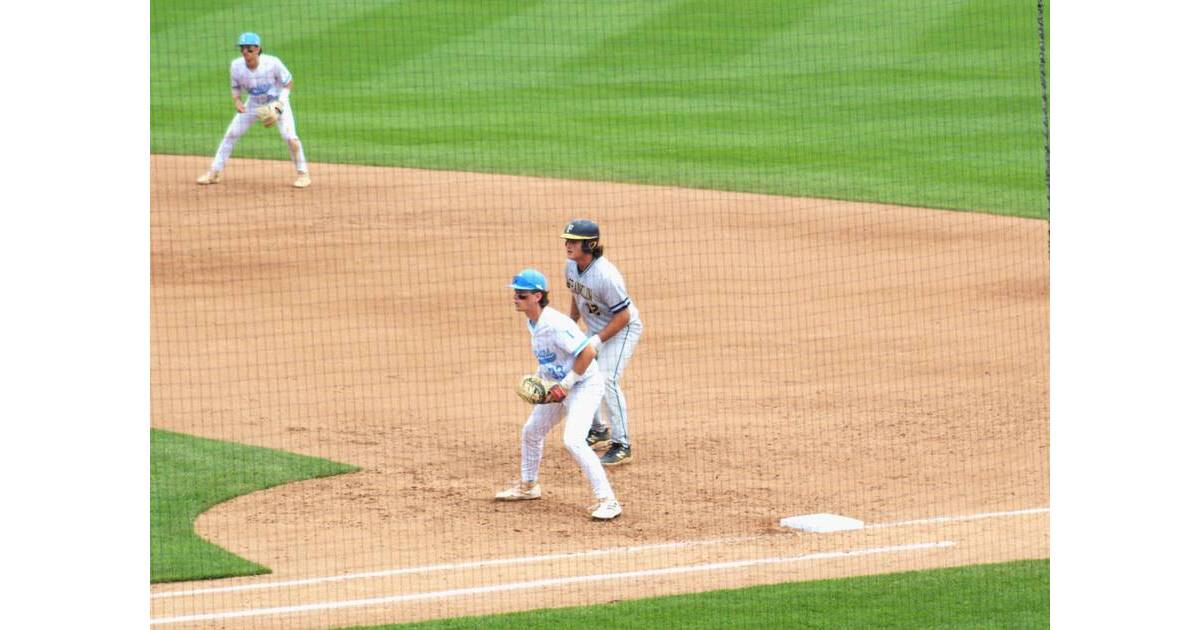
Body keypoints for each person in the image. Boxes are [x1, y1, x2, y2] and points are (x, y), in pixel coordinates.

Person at [495, 268, 622, 521]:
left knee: (573, 440)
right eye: (515, 294)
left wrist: (565, 385)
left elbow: (587, 353)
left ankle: (609, 501)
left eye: (521, 295)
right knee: (531, 432)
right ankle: (529, 486)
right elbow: (548, 358)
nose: (515, 299)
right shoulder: (533, 322)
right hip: (558, 387)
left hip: (583, 384)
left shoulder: (555, 324)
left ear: (537, 296)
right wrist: (541, 383)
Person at [561, 219, 643, 466]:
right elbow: (577, 295)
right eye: (567, 240)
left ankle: (622, 444)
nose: (568, 244)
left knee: (607, 378)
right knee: (579, 372)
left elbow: (624, 315)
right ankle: (598, 430)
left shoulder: (607, 275)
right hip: (596, 330)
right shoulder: (571, 266)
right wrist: (570, 326)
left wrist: (595, 340)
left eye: (574, 241)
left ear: (590, 244)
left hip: (623, 330)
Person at [196, 32, 311, 189]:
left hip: (276, 103)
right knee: (231, 134)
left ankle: (303, 174)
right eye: (242, 49)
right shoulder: (236, 66)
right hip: (254, 105)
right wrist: (237, 101)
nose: (245, 52)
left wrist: (280, 104)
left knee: (290, 138)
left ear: (258, 49)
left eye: (249, 49)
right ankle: (214, 172)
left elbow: (288, 81)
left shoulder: (272, 63)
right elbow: (235, 86)